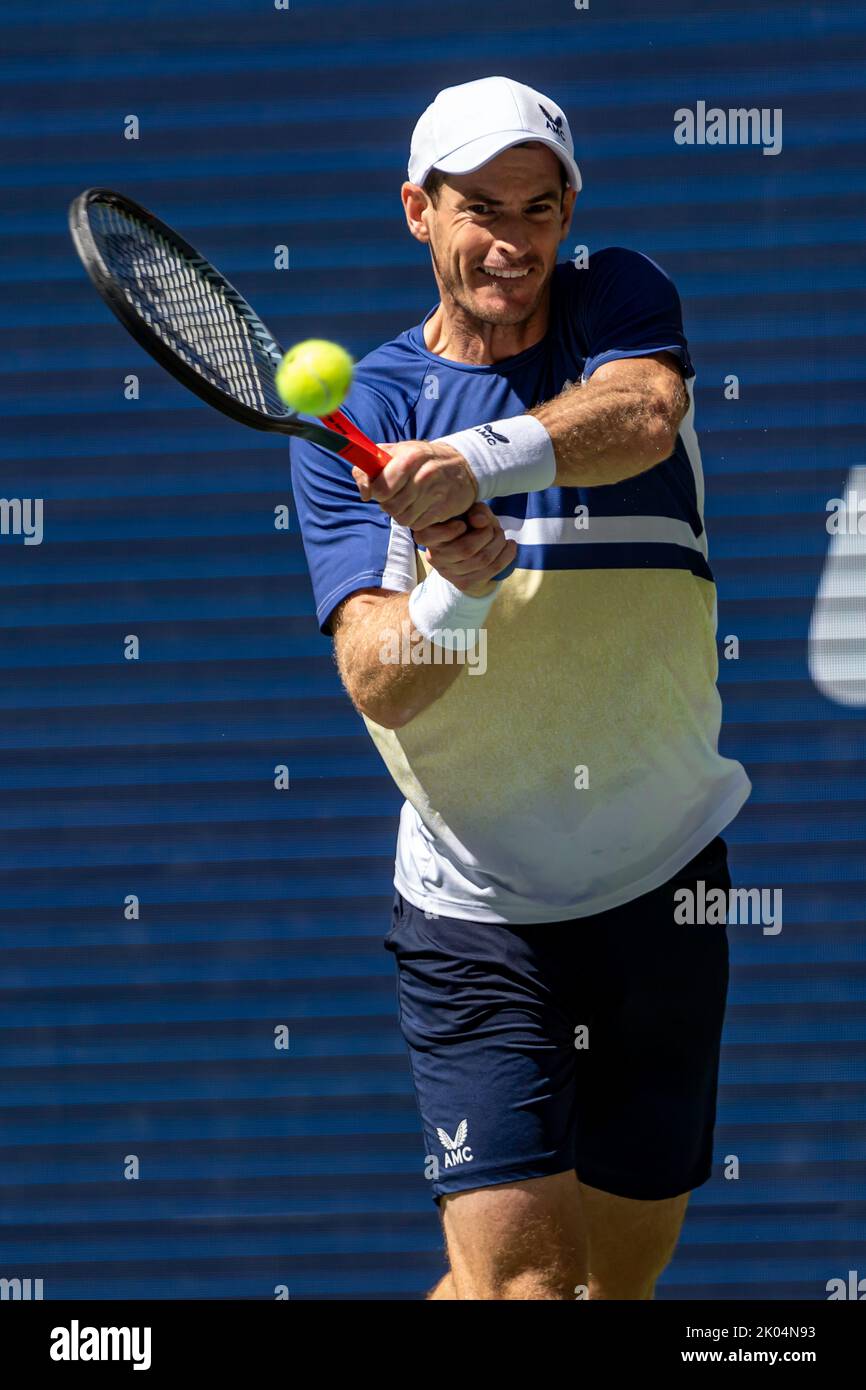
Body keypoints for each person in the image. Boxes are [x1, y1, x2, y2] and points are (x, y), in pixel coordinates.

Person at [290, 75, 751, 1301]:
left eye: (539, 206)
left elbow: (643, 415)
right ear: (415, 210)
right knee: (526, 1292)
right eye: (479, 206)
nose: (512, 239)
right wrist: (459, 589)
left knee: (608, 1285)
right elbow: (379, 682)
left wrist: (473, 465)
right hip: (475, 911)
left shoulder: (617, 302)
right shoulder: (360, 412)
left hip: (662, 882)